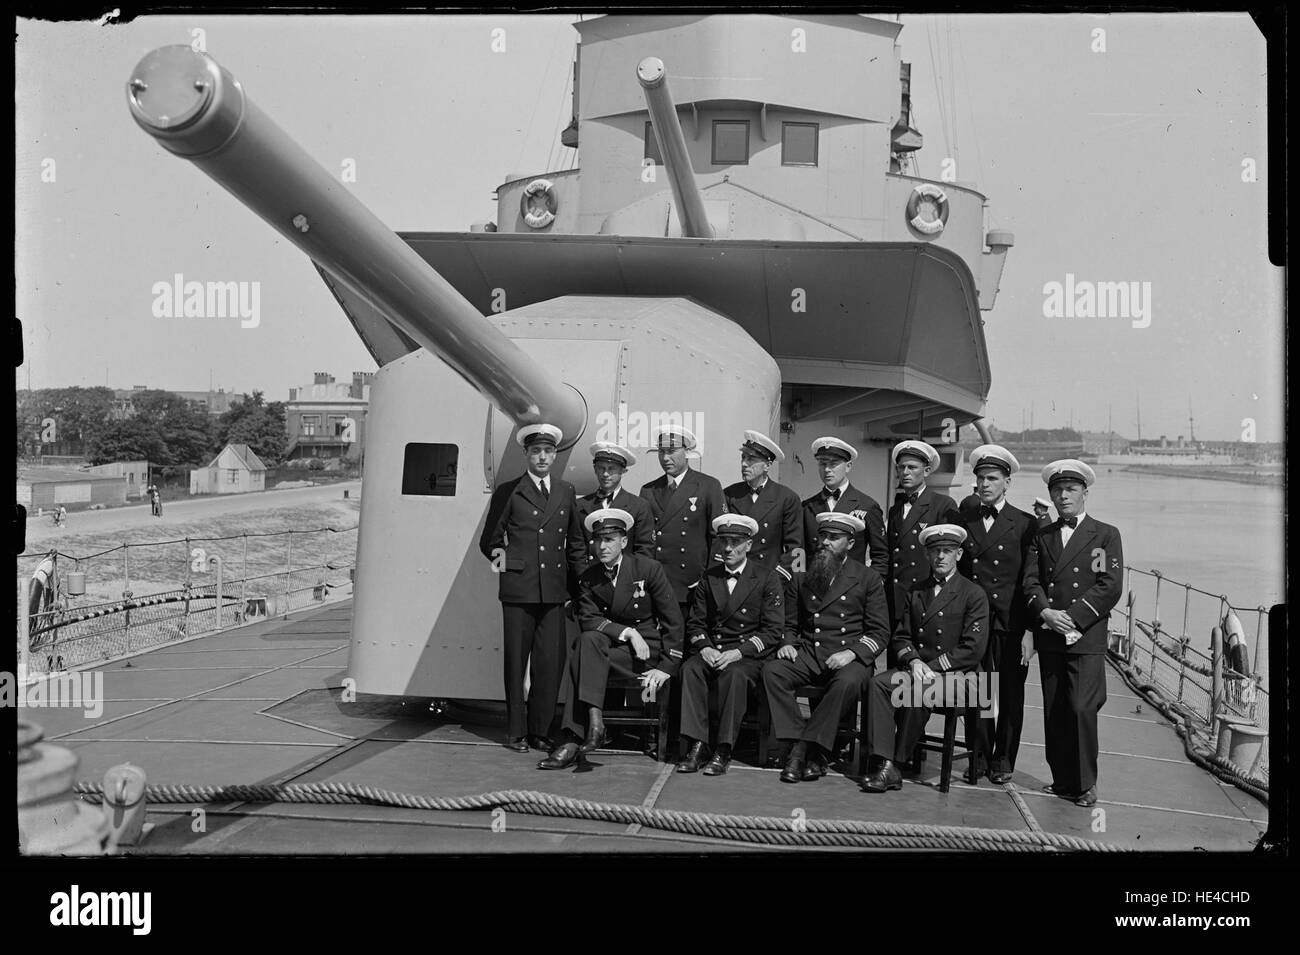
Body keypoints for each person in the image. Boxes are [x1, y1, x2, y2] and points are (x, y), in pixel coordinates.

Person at [539, 508, 683, 770]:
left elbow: (673, 619)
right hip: (611, 649)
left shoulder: (648, 569)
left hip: (642, 652)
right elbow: (588, 619)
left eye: (609, 540)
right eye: (597, 540)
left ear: (624, 542)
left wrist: (667, 666)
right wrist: (628, 632)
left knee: (582, 653)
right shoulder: (589, 577)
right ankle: (595, 723)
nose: (602, 547)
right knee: (586, 641)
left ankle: (573, 737)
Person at [1022, 459, 1124, 808]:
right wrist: (1045, 612)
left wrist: (1073, 618)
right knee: (1055, 710)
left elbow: (1108, 586)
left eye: (1070, 489)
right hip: (1050, 633)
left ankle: (1085, 784)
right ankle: (1063, 779)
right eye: (1057, 490)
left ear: (1084, 493)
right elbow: (1031, 581)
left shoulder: (1103, 535)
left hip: (1085, 637)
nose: (1063, 496)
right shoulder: (1043, 536)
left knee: (1081, 708)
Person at [762, 512, 890, 783]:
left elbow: (880, 632)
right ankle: (804, 744)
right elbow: (790, 622)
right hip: (810, 653)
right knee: (773, 671)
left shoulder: (867, 578)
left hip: (850, 656)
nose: (825, 542)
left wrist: (851, 653)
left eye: (834, 537)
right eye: (823, 536)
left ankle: (802, 751)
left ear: (850, 543)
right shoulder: (803, 574)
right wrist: (787, 643)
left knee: (846, 683)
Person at [863, 524, 989, 793]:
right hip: (920, 669)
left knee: (920, 691)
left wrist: (929, 667)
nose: (941, 556)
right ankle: (882, 758)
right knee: (878, 684)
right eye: (935, 551)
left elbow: (972, 649)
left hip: (963, 676)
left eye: (947, 551)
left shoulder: (973, 593)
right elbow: (901, 636)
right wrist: (914, 661)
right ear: (927, 555)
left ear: (959, 555)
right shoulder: (916, 591)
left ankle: (895, 764)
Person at [478, 423, 576, 754]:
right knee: (516, 663)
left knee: (550, 664)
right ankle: (516, 731)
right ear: (527, 454)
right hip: (519, 593)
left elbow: (574, 543)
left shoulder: (565, 491)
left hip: (554, 592)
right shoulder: (509, 491)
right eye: (536, 451)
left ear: (555, 455)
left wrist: (573, 590)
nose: (542, 457)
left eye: (548, 451)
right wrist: (512, 568)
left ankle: (540, 731)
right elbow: (489, 542)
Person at [676, 514, 785, 775]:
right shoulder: (709, 577)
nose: (727, 548)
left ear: (749, 545)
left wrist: (739, 652)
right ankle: (698, 744)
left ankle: (723, 749)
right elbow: (696, 623)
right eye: (724, 541)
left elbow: (773, 631)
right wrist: (705, 647)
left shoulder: (766, 578)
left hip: (747, 655)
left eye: (735, 542)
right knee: (690, 669)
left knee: (734, 675)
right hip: (714, 649)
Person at [957, 444, 1037, 784]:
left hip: (1011, 622)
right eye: (980, 478)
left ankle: (1003, 758)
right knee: (979, 690)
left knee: (1010, 694)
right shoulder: (963, 521)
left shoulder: (1025, 524)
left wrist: (1031, 631)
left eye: (992, 478)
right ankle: (978, 755)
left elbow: (1032, 581)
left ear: (1007, 482)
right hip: (975, 622)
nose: (985, 484)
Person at [639, 426, 726, 624]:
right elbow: (644, 540)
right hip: (659, 584)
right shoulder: (649, 490)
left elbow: (718, 538)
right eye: (661, 451)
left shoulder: (708, 486)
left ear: (687, 452)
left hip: (692, 585)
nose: (665, 458)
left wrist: (709, 579)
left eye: (671, 451)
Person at [885, 440, 962, 631]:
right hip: (894, 599)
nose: (905, 472)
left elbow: (948, 558)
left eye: (912, 467)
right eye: (901, 467)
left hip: (924, 598)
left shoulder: (942, 505)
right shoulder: (895, 509)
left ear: (926, 471)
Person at [568, 441, 655, 583]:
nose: (605, 474)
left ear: (623, 471)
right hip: (589, 582)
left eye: (611, 469)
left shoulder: (639, 506)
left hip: (625, 582)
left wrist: (626, 582)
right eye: (601, 468)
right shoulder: (580, 506)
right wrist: (585, 582)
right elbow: (576, 550)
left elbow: (644, 551)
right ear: (595, 469)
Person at [800, 436, 887, 573]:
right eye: (822, 464)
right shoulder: (806, 507)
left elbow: (881, 555)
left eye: (833, 464)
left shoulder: (867, 506)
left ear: (848, 466)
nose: (827, 469)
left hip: (851, 583)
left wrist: (871, 583)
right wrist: (800, 580)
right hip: (815, 581)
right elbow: (800, 550)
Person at [722, 430, 802, 575]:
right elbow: (720, 539)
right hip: (736, 575)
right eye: (743, 457)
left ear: (767, 465)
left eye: (751, 459)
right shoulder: (729, 494)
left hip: (770, 577)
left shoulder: (787, 498)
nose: (744, 464)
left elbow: (795, 548)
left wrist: (780, 579)